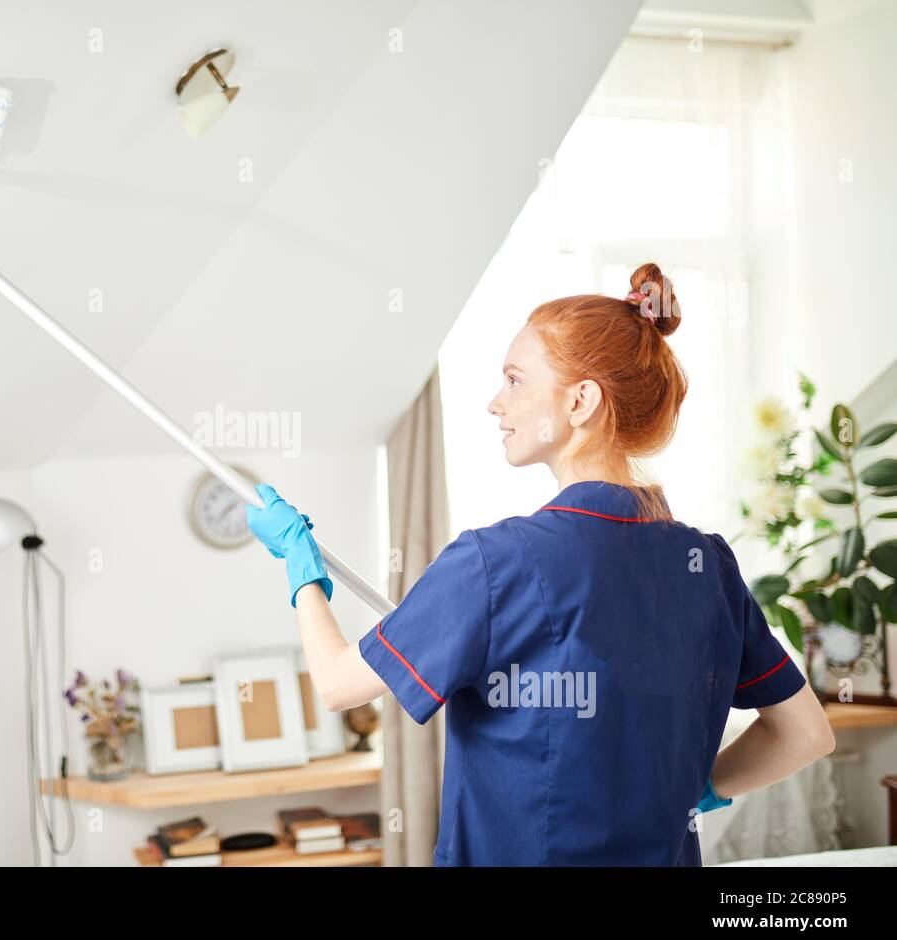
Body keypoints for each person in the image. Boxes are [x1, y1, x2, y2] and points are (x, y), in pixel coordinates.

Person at [246, 263, 834, 866]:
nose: (495, 403)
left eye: (515, 380)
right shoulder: (707, 566)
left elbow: (339, 684)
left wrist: (301, 567)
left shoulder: (493, 562)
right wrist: (699, 788)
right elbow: (805, 734)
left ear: (580, 401)